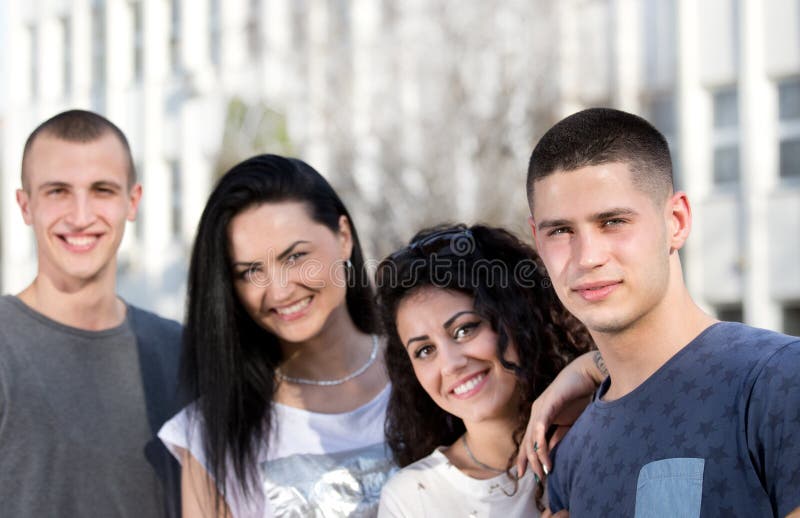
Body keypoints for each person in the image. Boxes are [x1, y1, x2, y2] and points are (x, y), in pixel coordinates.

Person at [526, 107, 800, 517]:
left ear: (676, 220)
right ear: (536, 239)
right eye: (561, 231)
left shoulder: (779, 381)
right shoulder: (570, 452)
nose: (588, 257)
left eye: (613, 221)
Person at [158, 154, 394, 517]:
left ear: (343, 237)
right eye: (251, 271)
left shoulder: (432, 374)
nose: (280, 292)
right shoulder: (210, 433)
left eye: (295, 256)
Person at [0, 110, 182, 516]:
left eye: (101, 190)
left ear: (132, 201)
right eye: (58, 192)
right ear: (25, 206)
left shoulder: (182, 352)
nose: (81, 217)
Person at [374, 224, 595, 517]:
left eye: (465, 329)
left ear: (517, 316)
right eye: (425, 351)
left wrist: (589, 368)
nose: (450, 364)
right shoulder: (412, 499)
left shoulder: (597, 425)